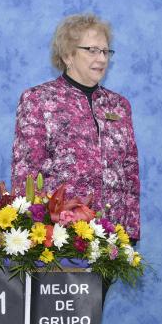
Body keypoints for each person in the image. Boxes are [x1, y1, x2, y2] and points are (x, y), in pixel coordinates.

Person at [11, 13, 140, 242]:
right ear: (68, 55)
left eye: (105, 51)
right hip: (59, 234)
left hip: (110, 233)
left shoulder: (119, 105)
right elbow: (26, 173)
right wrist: (35, 231)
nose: (101, 58)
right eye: (91, 50)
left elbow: (129, 172)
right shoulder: (38, 100)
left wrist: (129, 232)